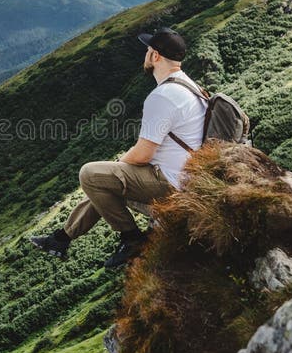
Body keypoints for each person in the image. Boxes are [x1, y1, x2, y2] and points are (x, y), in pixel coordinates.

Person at [30, 27, 207, 268]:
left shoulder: (163, 96)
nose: (145, 54)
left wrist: (118, 167)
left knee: (91, 175)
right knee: (105, 179)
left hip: (170, 183)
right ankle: (60, 239)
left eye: (148, 50)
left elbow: (144, 153)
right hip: (185, 177)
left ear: (155, 56)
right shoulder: (189, 87)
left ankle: (132, 238)